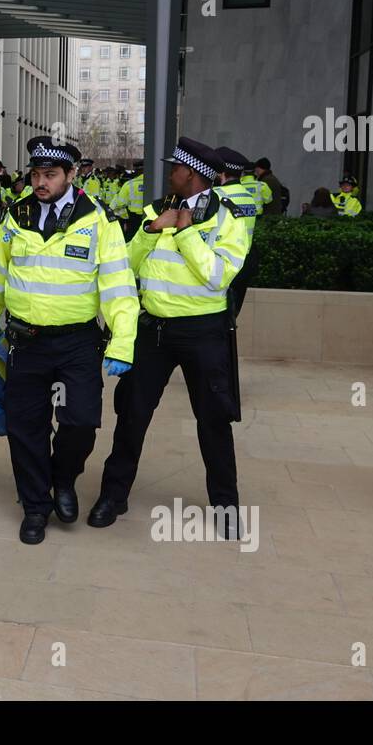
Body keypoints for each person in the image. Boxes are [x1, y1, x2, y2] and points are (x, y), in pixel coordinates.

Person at [0, 136, 138, 545]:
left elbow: (119, 285)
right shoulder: (16, 216)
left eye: (50, 174)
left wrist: (123, 342)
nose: (40, 181)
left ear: (72, 174)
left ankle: (64, 479)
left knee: (81, 421)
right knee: (25, 426)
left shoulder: (98, 220)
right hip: (25, 341)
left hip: (77, 343)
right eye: (35, 174)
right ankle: (36, 506)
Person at [92, 139, 251, 530]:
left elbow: (217, 278)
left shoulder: (228, 219)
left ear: (192, 174)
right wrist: (151, 229)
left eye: (174, 169)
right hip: (154, 331)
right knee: (132, 415)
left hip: (203, 333)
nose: (169, 174)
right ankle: (113, 496)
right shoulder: (156, 209)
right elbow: (124, 263)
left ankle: (226, 508)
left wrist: (184, 234)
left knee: (213, 420)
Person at [214, 147, 261, 318]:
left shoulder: (218, 195)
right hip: (244, 262)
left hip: (224, 264)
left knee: (219, 317)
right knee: (232, 318)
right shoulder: (248, 196)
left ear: (220, 173)